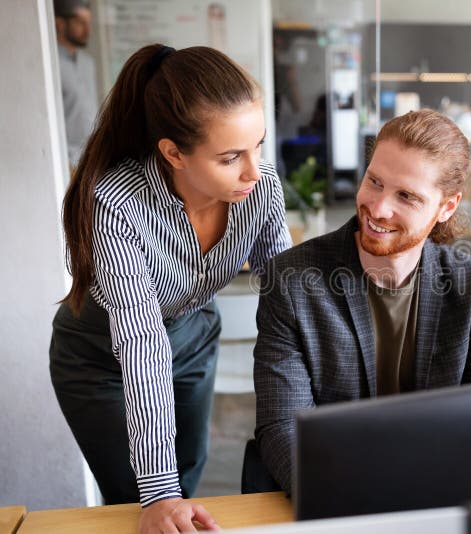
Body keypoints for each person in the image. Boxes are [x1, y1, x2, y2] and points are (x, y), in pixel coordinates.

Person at [49, 44, 291, 533]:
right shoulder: (115, 203)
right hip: (101, 357)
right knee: (141, 499)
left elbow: (287, 293)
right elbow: (140, 341)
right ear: (173, 151)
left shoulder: (259, 185)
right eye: (230, 157)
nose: (253, 169)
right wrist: (158, 495)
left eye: (258, 145)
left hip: (194, 336)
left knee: (188, 482)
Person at [253, 109, 471, 493]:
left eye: (406, 196)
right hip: (338, 490)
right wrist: (349, 501)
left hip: (437, 488)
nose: (378, 208)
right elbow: (281, 427)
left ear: (447, 207)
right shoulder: (291, 281)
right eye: (374, 181)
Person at [53, 0, 99, 168]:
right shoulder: (50, 64)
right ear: (59, 23)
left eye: (88, 22)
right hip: (64, 163)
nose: (87, 30)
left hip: (90, 160)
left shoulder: (88, 63)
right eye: (80, 22)